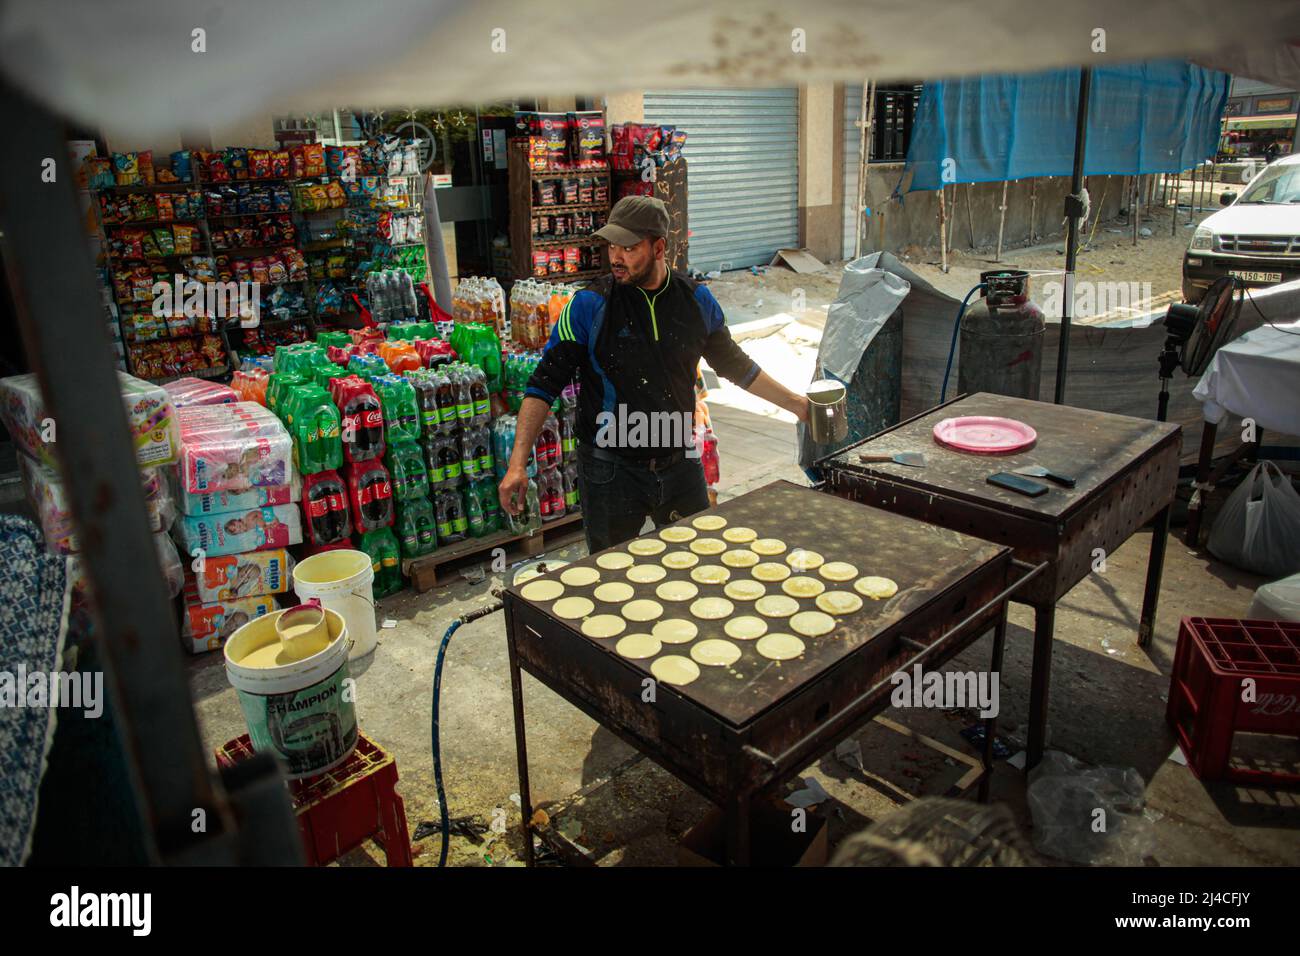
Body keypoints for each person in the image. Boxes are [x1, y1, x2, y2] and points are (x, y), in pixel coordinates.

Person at [498, 196, 811, 552]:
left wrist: (798, 405)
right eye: (612, 246)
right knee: (611, 578)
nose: (616, 257)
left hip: (679, 463)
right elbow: (543, 386)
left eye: (629, 248)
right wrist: (517, 465)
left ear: (659, 247)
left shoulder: (696, 301)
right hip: (609, 470)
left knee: (698, 565)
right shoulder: (588, 305)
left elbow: (736, 366)